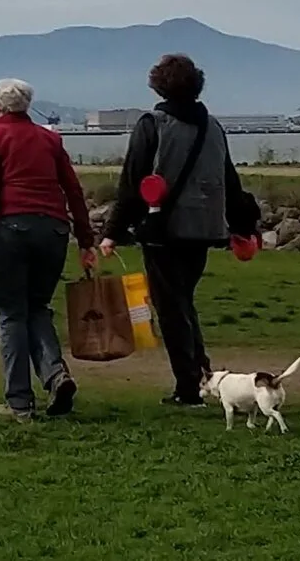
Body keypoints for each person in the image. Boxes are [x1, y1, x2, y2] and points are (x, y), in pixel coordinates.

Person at [99, 55, 260, 409]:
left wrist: (112, 230)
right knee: (182, 302)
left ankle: (189, 387)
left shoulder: (152, 124)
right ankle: (202, 376)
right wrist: (242, 226)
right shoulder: (213, 126)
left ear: (158, 84)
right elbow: (229, 180)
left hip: (164, 229)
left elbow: (133, 181)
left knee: (171, 309)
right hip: (205, 228)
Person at [0, 81, 99, 422]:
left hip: (10, 228)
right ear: (26, 106)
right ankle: (56, 374)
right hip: (54, 228)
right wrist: (86, 240)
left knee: (11, 313)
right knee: (38, 307)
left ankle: (19, 402)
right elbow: (73, 189)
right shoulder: (50, 139)